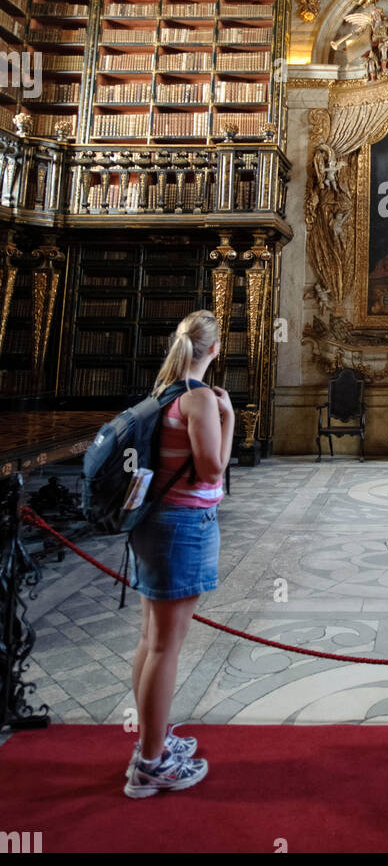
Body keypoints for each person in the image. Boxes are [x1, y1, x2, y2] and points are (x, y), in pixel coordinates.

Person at [124, 309, 234, 799]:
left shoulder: (162, 393)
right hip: (183, 524)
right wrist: (228, 419)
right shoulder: (200, 399)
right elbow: (212, 471)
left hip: (154, 522)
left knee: (151, 640)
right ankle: (150, 764)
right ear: (214, 350)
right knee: (165, 646)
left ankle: (154, 741)